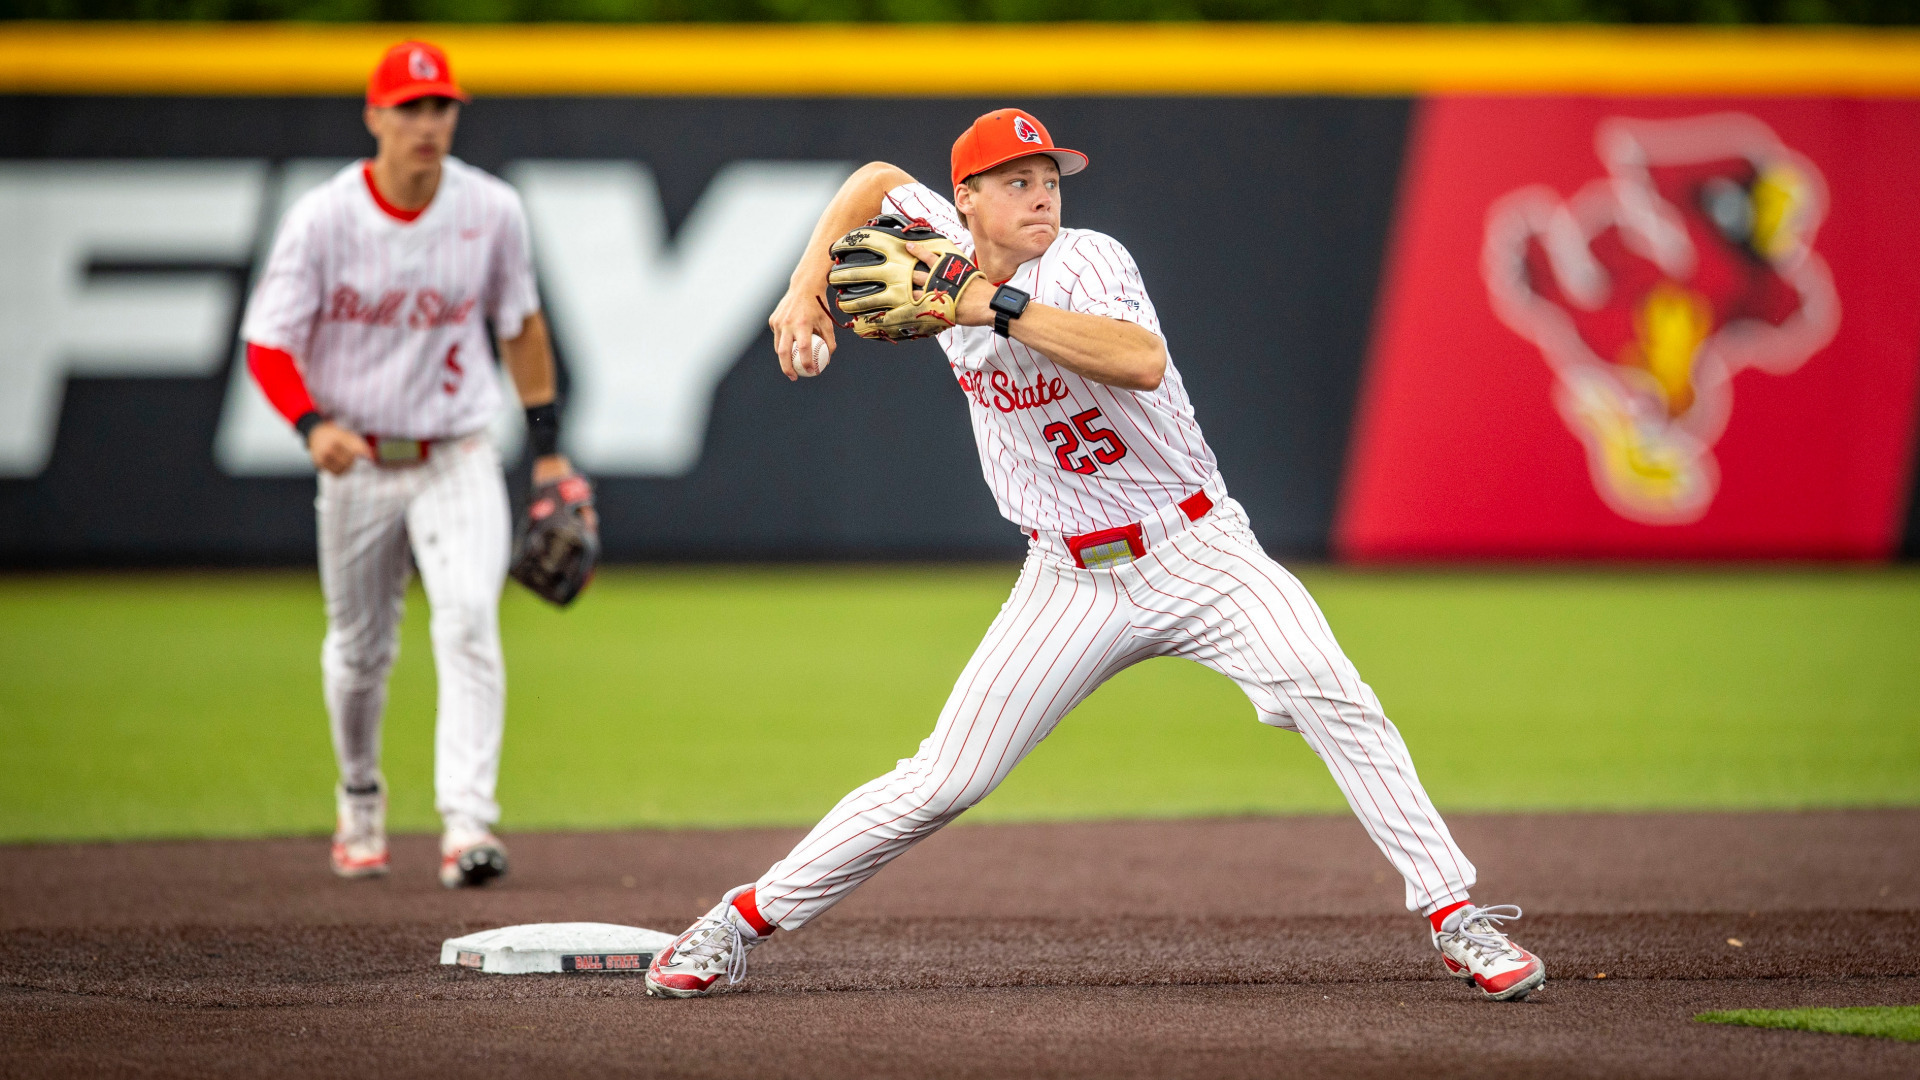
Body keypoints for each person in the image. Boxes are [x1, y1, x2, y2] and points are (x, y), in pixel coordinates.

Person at [644, 109, 1547, 1001]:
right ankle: (738, 921)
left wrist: (988, 304)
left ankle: (1454, 912)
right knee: (943, 779)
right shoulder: (932, 232)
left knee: (1332, 689)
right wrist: (803, 287)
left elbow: (1139, 360)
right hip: (1067, 579)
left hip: (1196, 551)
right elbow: (873, 180)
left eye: (1049, 180)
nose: (1042, 198)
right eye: (1017, 183)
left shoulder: (1088, 258)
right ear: (966, 200)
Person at [240, 40, 581, 889]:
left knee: (467, 617)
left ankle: (467, 824)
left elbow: (522, 327)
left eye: (441, 107)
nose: (428, 123)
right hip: (356, 461)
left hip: (457, 451)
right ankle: (360, 796)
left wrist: (547, 454)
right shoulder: (324, 217)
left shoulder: (490, 208)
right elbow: (268, 342)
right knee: (360, 651)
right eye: (410, 108)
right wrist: (308, 423)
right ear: (376, 116)